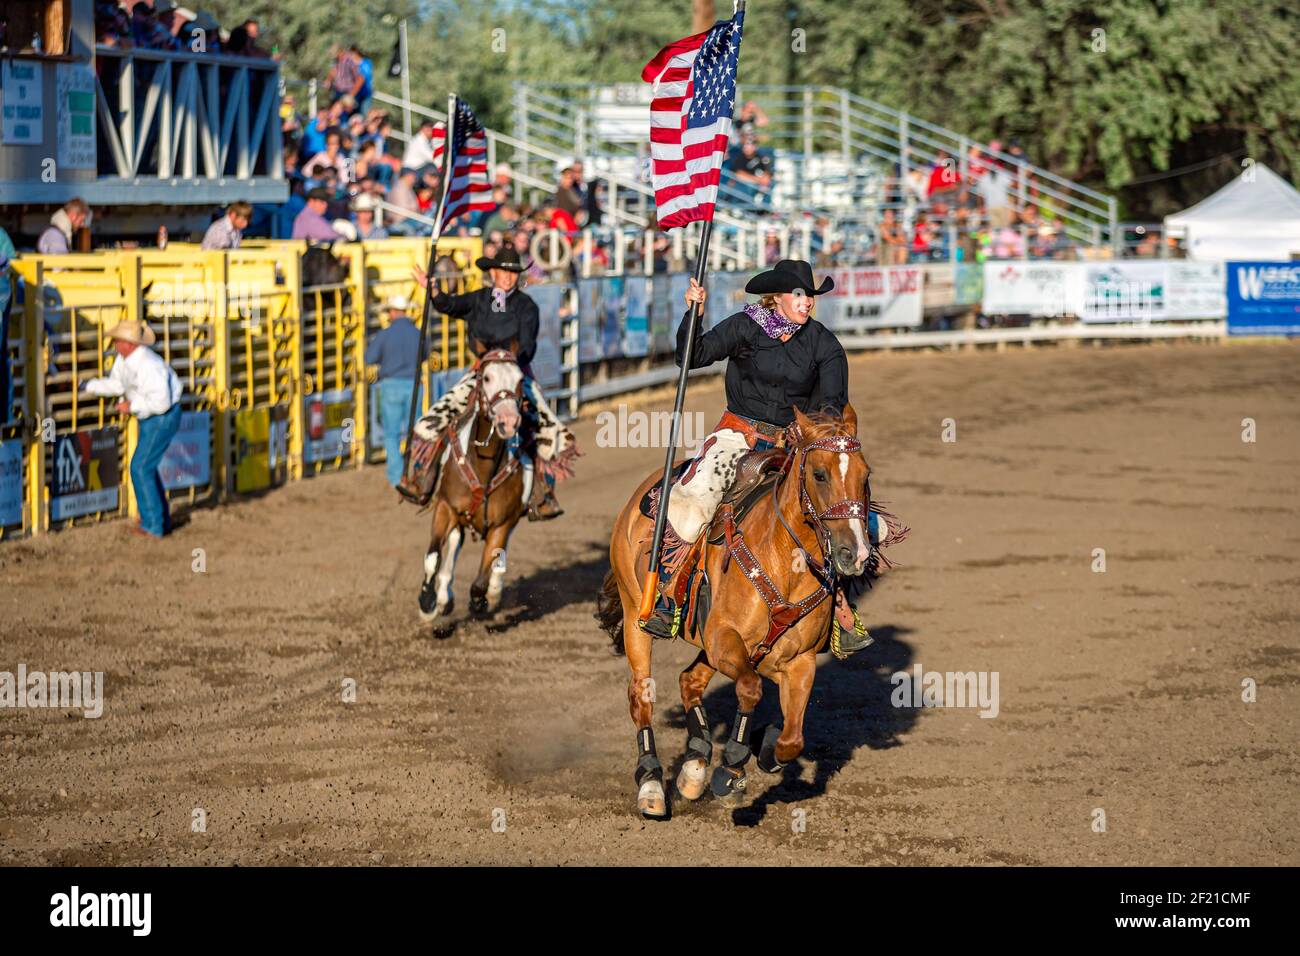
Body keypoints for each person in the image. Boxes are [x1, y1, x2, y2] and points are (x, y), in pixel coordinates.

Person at [640, 258, 888, 646]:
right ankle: (669, 593)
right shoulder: (745, 327)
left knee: (843, 512)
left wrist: (808, 431)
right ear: (777, 298)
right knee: (695, 503)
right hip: (738, 436)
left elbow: (833, 407)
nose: (807, 303)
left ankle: (839, 606)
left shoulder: (824, 343)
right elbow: (693, 355)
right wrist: (695, 312)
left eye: (810, 297)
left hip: (798, 444)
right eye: (800, 295)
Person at [402, 247, 575, 520]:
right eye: (503, 271)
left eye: (512, 273)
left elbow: (529, 343)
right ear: (493, 272)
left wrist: (509, 361)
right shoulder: (480, 300)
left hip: (516, 373)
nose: (507, 277)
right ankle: (422, 477)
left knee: (547, 424)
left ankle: (544, 492)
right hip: (481, 373)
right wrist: (433, 291)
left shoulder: (526, 306)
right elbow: (451, 305)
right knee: (439, 414)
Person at [80, 319, 184, 538]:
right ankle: (158, 519)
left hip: (162, 416)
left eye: (117, 339)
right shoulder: (126, 360)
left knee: (140, 467)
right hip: (154, 416)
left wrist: (132, 405)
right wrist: (87, 385)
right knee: (145, 467)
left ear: (129, 343)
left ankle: (153, 525)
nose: (115, 343)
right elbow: (116, 384)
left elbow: (162, 402)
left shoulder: (149, 365)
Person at [365, 295, 424, 488]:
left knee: (391, 433)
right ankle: (418, 470)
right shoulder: (417, 333)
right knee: (416, 431)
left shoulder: (385, 334)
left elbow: (369, 357)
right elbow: (425, 353)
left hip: (391, 384)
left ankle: (397, 477)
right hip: (414, 384)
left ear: (391, 312)